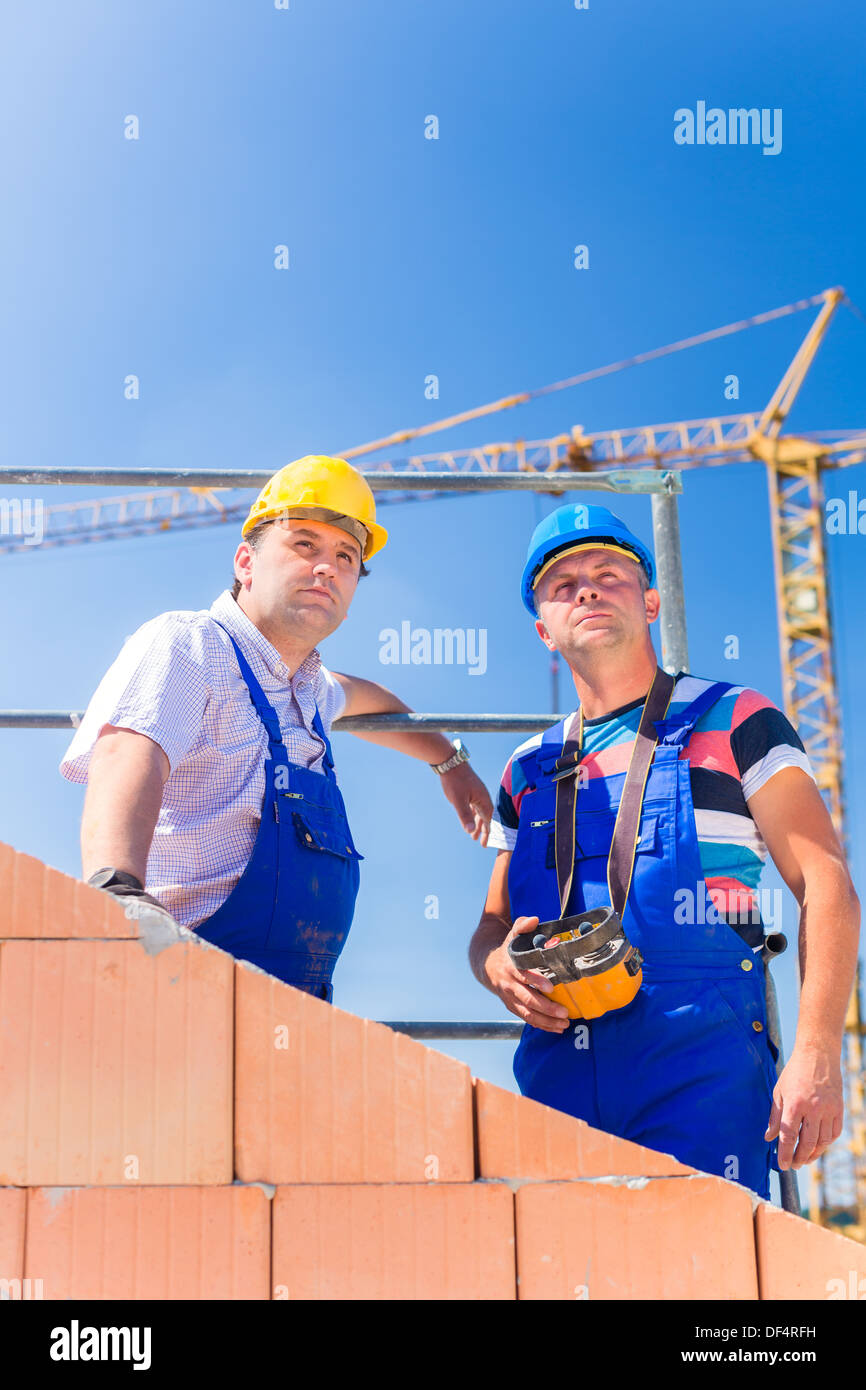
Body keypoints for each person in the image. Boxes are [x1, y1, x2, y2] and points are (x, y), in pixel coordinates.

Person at [470, 502, 860, 1199]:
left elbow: (825, 882)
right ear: (543, 630)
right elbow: (490, 927)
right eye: (563, 584)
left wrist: (816, 1053)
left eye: (608, 572)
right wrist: (496, 964)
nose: (586, 588)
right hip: (559, 1072)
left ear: (651, 601)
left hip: (702, 1071)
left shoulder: (735, 717)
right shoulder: (525, 770)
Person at [61, 454, 493, 1001]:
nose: (326, 567)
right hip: (177, 979)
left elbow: (376, 702)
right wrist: (117, 891)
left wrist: (448, 762)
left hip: (296, 1006)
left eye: (346, 556)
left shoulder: (312, 691)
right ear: (246, 561)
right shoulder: (190, 643)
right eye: (304, 545)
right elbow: (128, 751)